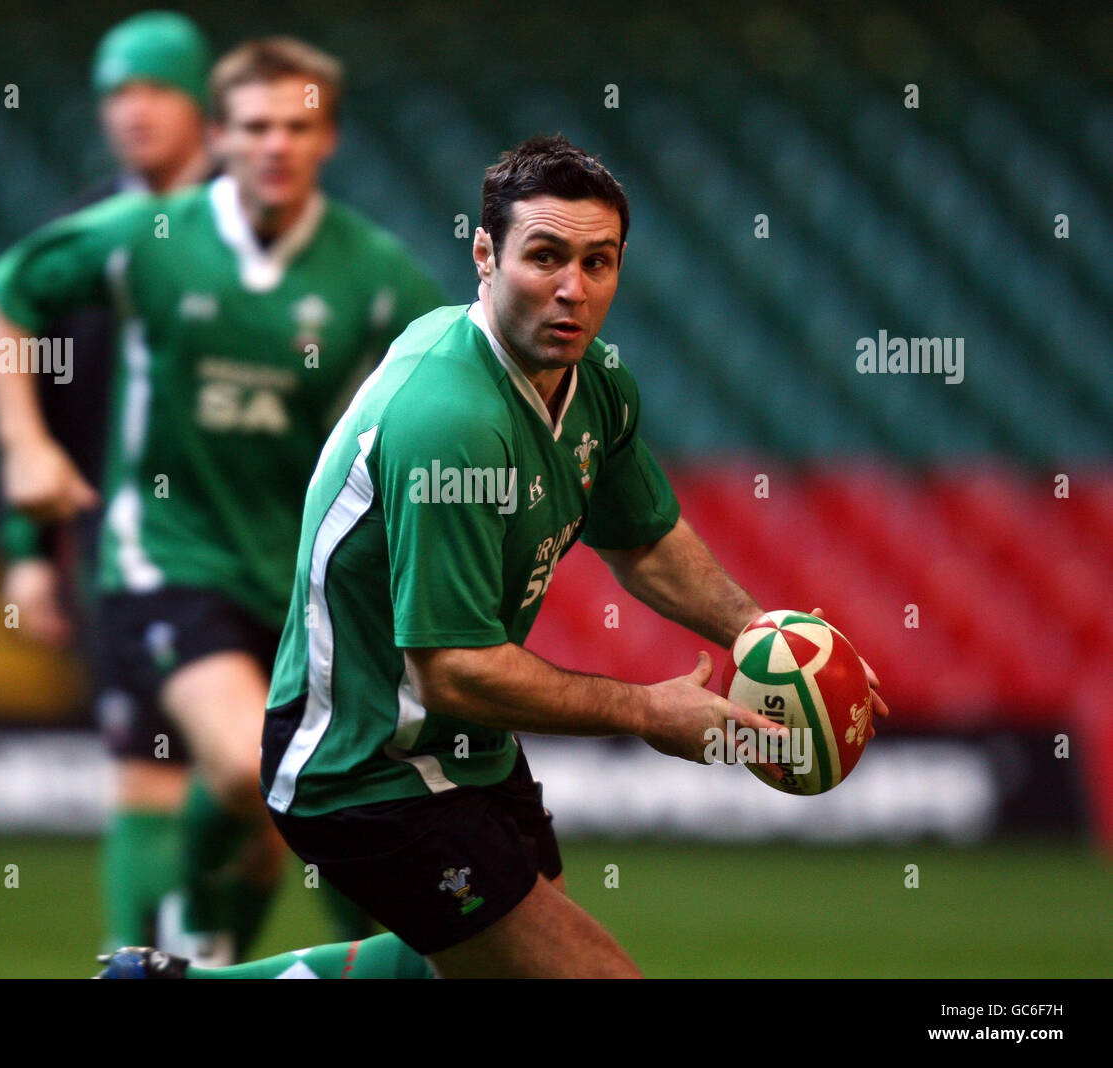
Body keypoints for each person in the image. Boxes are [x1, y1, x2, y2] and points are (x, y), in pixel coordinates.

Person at [96, 134, 889, 980]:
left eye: (599, 261)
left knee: (470, 970)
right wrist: (648, 711)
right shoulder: (453, 422)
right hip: (361, 768)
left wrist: (767, 634)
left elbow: (645, 542)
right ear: (484, 255)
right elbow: (454, 670)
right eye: (544, 256)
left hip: (465, 748)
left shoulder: (593, 382)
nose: (571, 290)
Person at [0, 35, 445, 963]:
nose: (277, 144)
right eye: (256, 125)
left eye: (299, 125)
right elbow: (6, 291)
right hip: (167, 561)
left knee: (293, 803)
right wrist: (24, 448)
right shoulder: (152, 237)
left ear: (331, 139)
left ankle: (189, 955)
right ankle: (172, 943)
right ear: (221, 134)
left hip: (305, 584)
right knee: (244, 767)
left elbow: (456, 386)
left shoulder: (379, 274)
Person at [0, 8, 217, 958]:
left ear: (203, 102)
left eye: (156, 88)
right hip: (126, 544)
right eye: (116, 93)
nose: (133, 110)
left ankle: (203, 947)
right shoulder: (78, 241)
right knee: (146, 772)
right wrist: (29, 551)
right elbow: (33, 401)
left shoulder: (264, 232)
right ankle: (145, 965)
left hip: (264, 540)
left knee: (269, 786)